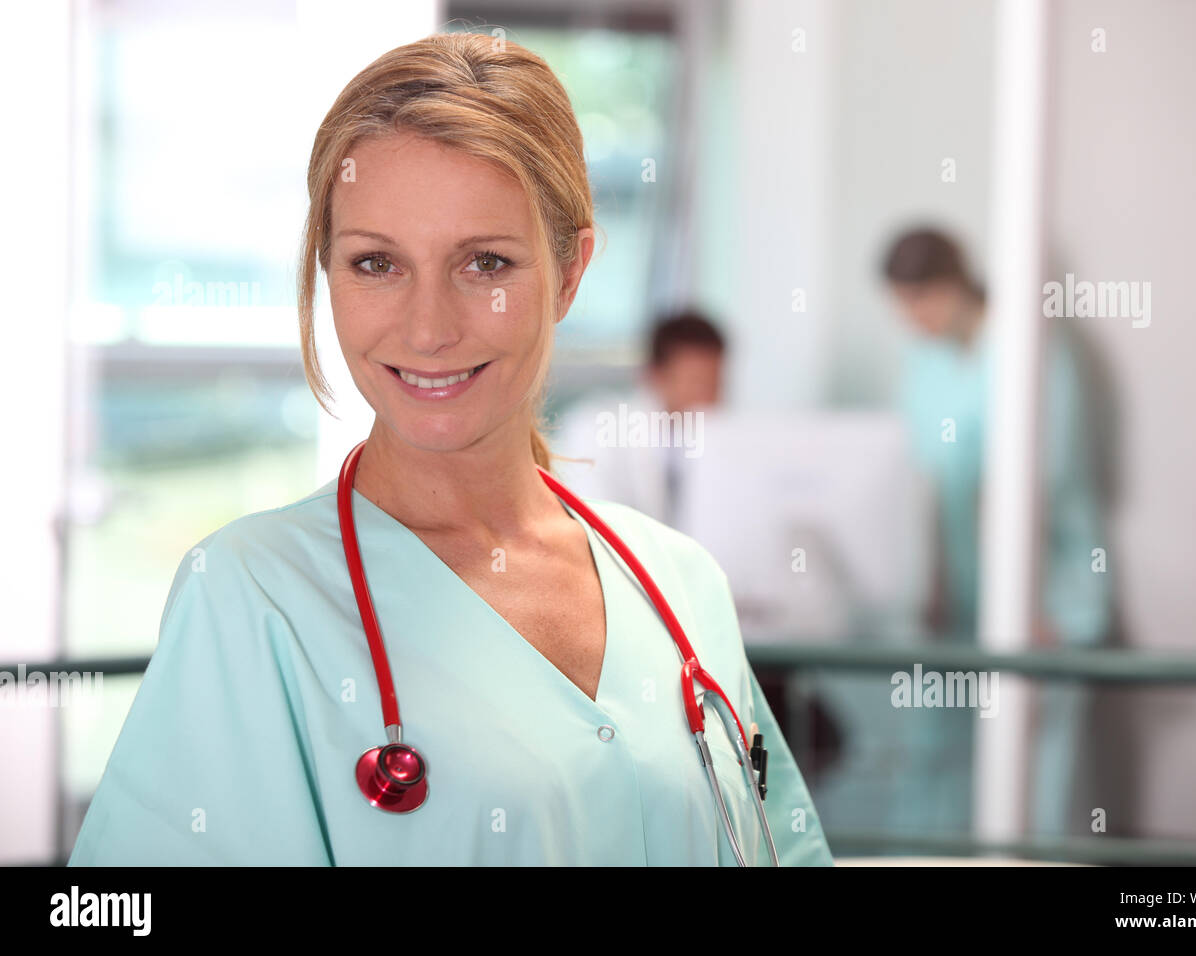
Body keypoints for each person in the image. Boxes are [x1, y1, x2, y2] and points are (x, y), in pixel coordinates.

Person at [67, 33, 833, 866]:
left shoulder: (682, 585)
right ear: (328, 273)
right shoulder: (254, 598)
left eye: (484, 263)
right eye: (376, 263)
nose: (428, 328)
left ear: (571, 272)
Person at [880, 226, 1111, 837]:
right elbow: (923, 478)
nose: (914, 319)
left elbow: (1048, 484)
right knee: (937, 756)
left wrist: (1033, 603)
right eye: (902, 305)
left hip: (1044, 592)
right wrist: (928, 580)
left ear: (957, 285)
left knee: (1033, 770)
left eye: (923, 300)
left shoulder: (1030, 352)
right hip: (954, 594)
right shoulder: (924, 360)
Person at [551, 310, 725, 529]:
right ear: (655, 376)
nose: (708, 398)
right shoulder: (594, 427)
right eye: (696, 382)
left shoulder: (708, 445)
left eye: (716, 384)